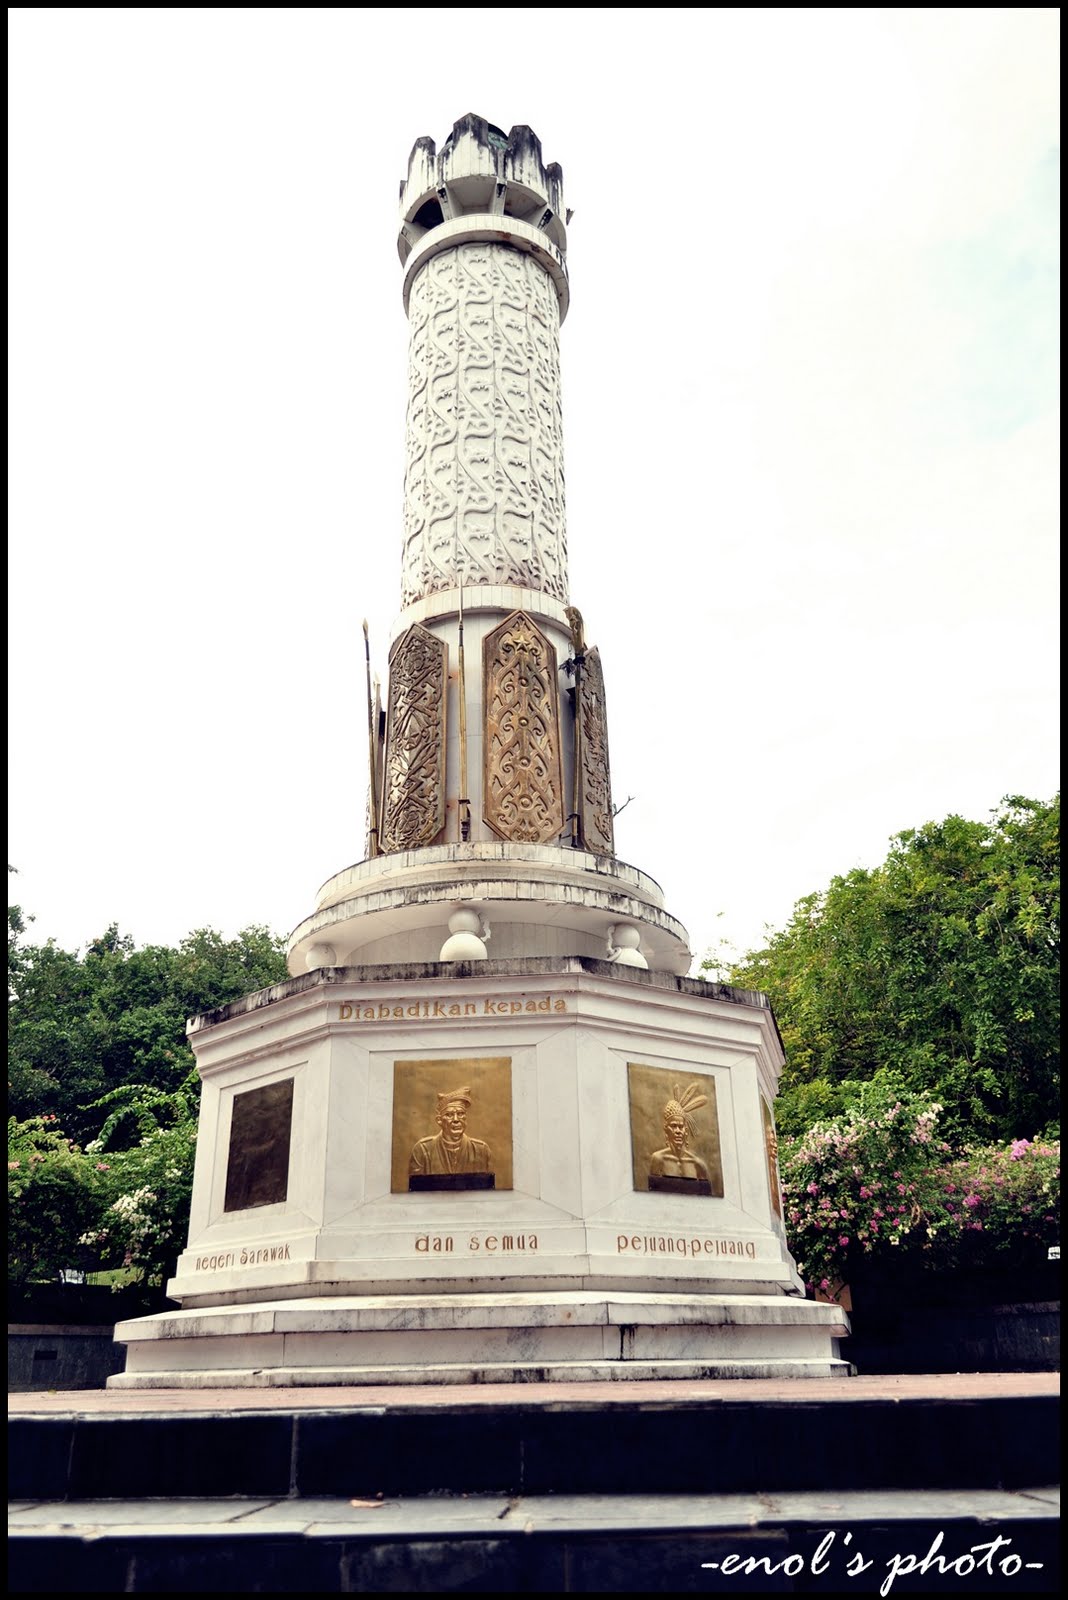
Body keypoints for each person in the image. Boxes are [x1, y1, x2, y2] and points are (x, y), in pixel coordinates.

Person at [409, 1086, 492, 1176]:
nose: (456, 1119)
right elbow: (417, 1187)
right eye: (449, 1115)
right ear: (439, 1120)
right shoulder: (422, 1149)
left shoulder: (481, 1150)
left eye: (460, 1114)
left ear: (465, 1117)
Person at [649, 1083, 710, 1182]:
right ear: (666, 1129)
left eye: (680, 1127)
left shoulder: (698, 1164)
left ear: (685, 1131)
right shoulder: (658, 1159)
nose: (678, 1131)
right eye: (673, 1126)